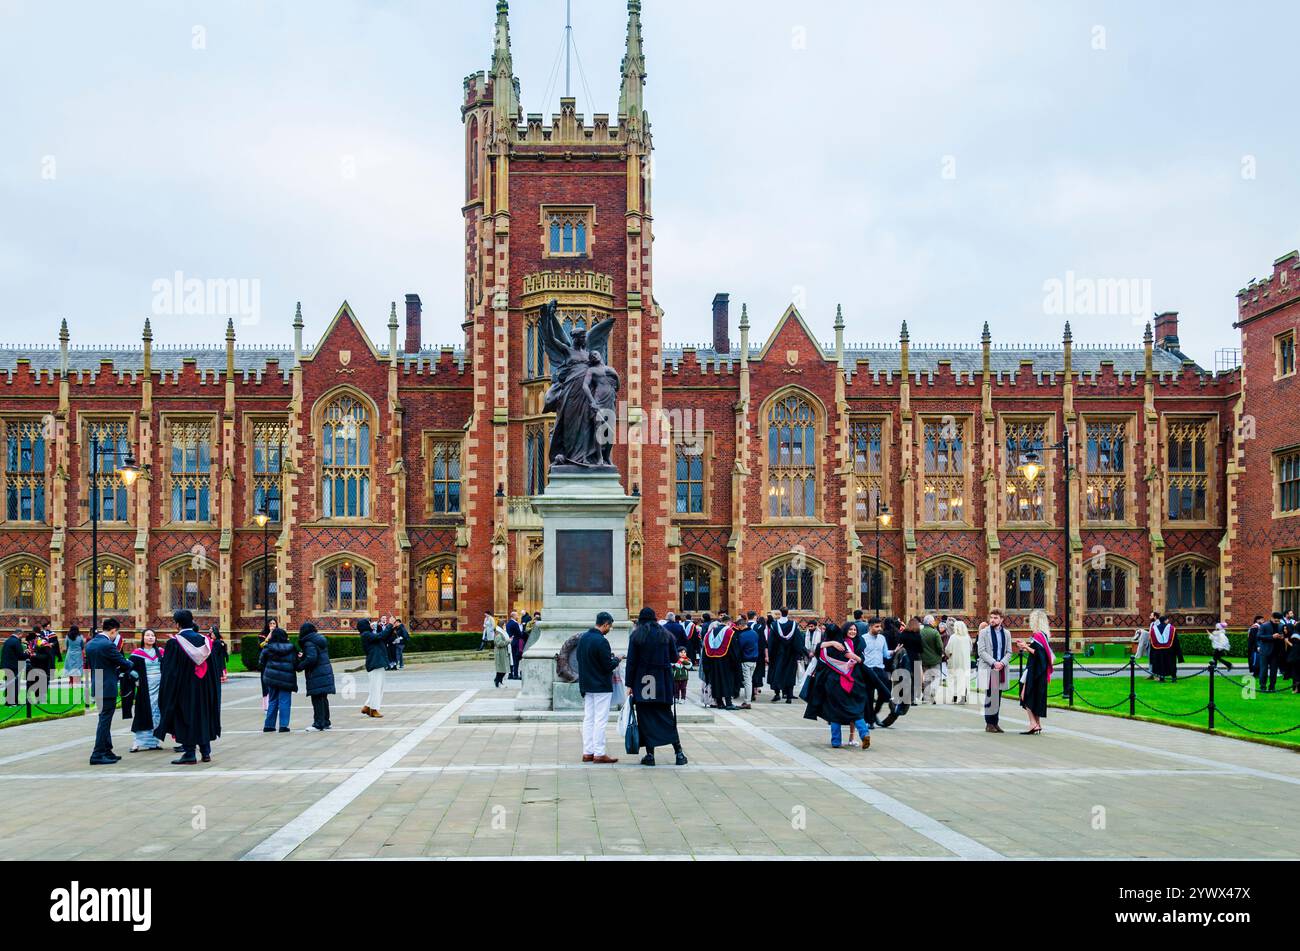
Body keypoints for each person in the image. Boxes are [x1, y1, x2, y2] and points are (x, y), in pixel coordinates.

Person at [155, 610, 221, 765]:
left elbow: (169, 671)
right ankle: (205, 752)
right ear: (192, 621)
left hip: (183, 690)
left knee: (185, 718)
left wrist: (167, 692)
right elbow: (213, 670)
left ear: (177, 624)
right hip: (204, 690)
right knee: (202, 717)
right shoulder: (206, 641)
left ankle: (190, 753)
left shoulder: (175, 643)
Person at [625, 607, 688, 767]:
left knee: (645, 717)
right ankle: (679, 753)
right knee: (666, 716)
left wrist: (629, 684)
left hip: (645, 681)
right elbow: (674, 657)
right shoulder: (666, 635)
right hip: (662, 680)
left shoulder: (637, 635)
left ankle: (650, 756)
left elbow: (631, 662)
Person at [803, 622, 872, 750]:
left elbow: (817, 651)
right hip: (850, 681)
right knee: (855, 710)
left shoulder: (825, 648)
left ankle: (836, 741)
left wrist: (830, 643)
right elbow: (859, 660)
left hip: (832, 683)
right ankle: (864, 733)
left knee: (834, 713)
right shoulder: (848, 645)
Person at [85, 619, 135, 765]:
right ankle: (98, 753)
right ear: (113, 630)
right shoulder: (107, 645)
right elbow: (124, 663)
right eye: (116, 633)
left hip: (97, 684)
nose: (116, 635)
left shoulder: (91, 643)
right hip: (107, 687)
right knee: (104, 721)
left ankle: (107, 750)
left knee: (103, 719)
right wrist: (130, 664)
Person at [576, 612, 621, 764]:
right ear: (605, 624)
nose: (610, 629)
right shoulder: (601, 641)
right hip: (601, 685)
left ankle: (587, 752)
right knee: (600, 720)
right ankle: (599, 753)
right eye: (610, 626)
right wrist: (617, 659)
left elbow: (579, 660)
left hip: (587, 685)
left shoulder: (583, 638)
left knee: (589, 718)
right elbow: (607, 666)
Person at [124, 630, 164, 752]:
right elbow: (128, 668)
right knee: (143, 714)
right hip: (145, 688)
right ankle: (138, 742)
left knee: (157, 714)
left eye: (152, 635)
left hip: (160, 686)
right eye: (147, 635)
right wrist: (137, 677)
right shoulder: (137, 653)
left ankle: (154, 742)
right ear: (143, 638)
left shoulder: (161, 652)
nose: (150, 638)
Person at [1018, 609, 1055, 734]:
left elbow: (1040, 654)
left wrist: (1026, 647)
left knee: (1025, 696)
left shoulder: (1038, 636)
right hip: (1039, 671)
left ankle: (1033, 723)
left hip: (1035, 671)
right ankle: (1037, 724)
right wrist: (1027, 645)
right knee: (1036, 697)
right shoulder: (1043, 636)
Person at [296, 622, 335, 731]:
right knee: (323, 698)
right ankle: (326, 722)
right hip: (324, 672)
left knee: (317, 698)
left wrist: (299, 666)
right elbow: (315, 655)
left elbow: (311, 658)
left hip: (316, 673)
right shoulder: (318, 640)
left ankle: (318, 724)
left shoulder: (309, 643)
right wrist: (304, 655)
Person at [978, 609, 1012, 734]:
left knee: (998, 696)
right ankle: (989, 723)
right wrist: (994, 662)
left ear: (1001, 619)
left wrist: (1002, 663)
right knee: (990, 696)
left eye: (995, 618)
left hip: (1001, 668)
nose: (992, 620)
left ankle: (995, 722)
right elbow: (981, 651)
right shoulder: (984, 633)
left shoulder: (1007, 633)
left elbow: (1009, 651)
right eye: (991, 617)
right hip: (989, 667)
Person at [259, 625, 298, 733]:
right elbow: (295, 664)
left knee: (272, 700)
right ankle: (283, 725)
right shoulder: (291, 648)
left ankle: (269, 725)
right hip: (286, 678)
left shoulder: (268, 648)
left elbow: (261, 662)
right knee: (285, 701)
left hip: (271, 678)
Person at [701, 614, 743, 711]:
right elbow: (733, 650)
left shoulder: (709, 633)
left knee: (716, 681)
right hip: (726, 662)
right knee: (727, 681)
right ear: (728, 622)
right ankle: (728, 703)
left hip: (712, 662)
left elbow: (705, 650)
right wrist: (736, 663)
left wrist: (706, 665)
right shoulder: (730, 632)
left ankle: (719, 702)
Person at [767, 609, 803, 703]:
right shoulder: (793, 625)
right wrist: (798, 652)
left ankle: (777, 694)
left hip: (777, 654)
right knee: (789, 674)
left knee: (777, 673)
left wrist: (770, 654)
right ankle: (789, 697)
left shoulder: (774, 625)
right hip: (790, 654)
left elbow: (771, 641)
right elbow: (798, 640)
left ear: (780, 613)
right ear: (788, 613)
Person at [359, 618, 392, 717]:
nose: (371, 624)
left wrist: (389, 627)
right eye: (369, 623)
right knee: (376, 688)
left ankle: (368, 706)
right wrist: (389, 625)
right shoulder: (366, 635)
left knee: (378, 687)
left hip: (377, 662)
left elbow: (383, 636)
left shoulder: (369, 634)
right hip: (374, 663)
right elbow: (381, 636)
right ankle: (373, 709)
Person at [944, 617, 973, 704]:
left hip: (955, 661)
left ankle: (955, 695)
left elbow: (948, 649)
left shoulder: (953, 637)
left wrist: (949, 656)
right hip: (965, 662)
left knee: (954, 679)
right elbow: (971, 649)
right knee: (964, 679)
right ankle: (963, 696)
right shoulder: (967, 638)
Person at [24, 628, 55, 704]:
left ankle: (42, 699)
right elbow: (29, 653)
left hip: (43, 667)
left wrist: (36, 655)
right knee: (34, 683)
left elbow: (47, 656)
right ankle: (37, 698)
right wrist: (26, 652)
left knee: (43, 683)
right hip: (33, 666)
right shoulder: (31, 644)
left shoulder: (43, 643)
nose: (30, 642)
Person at [919, 615, 945, 704]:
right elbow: (940, 646)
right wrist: (941, 653)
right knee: (937, 677)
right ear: (930, 622)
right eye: (933, 621)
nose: (934, 622)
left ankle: (926, 698)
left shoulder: (920, 632)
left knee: (927, 678)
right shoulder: (935, 633)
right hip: (935, 659)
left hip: (924, 659)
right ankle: (933, 691)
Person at [737, 616, 760, 710]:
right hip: (754, 660)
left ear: (741, 626)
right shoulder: (754, 633)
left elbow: (740, 648)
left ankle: (747, 701)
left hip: (746, 659)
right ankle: (747, 700)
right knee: (749, 681)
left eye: (738, 627)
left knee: (747, 682)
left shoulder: (742, 635)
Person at [1149, 615, 1179, 683]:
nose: (1168, 621)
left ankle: (1162, 678)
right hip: (1170, 651)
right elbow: (1175, 641)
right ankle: (1173, 678)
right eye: (1167, 620)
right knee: (1171, 663)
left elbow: (1152, 642)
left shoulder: (1154, 629)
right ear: (1165, 620)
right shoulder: (1172, 628)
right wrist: (1177, 651)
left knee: (1160, 664)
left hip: (1158, 651)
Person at [1, 629, 26, 706]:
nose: (22, 637)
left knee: (9, 684)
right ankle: (12, 702)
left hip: (7, 665)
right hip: (13, 666)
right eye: (21, 635)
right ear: (19, 634)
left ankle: (10, 701)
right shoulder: (16, 641)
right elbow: (20, 655)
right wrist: (28, 654)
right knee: (14, 684)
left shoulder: (8, 641)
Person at [63, 625, 85, 691]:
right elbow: (82, 646)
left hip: (70, 654)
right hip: (78, 654)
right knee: (78, 668)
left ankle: (71, 683)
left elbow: (66, 645)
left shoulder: (67, 636)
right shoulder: (80, 637)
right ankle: (77, 683)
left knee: (70, 668)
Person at [506, 611, 525, 681]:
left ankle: (511, 674)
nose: (518, 616)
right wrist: (522, 631)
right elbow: (519, 634)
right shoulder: (515, 624)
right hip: (516, 642)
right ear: (513, 616)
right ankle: (516, 675)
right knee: (516, 659)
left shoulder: (508, 623)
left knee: (511, 659)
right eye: (517, 615)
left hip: (510, 642)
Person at [493, 620, 511, 688]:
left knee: (503, 669)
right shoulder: (498, 633)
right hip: (500, 653)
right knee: (501, 669)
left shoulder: (501, 632)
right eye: (504, 625)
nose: (505, 626)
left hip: (503, 652)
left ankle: (498, 681)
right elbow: (499, 643)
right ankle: (498, 682)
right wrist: (508, 641)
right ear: (501, 625)